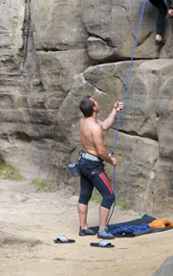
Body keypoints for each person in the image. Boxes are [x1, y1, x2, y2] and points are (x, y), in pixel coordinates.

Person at [76, 96, 123, 239]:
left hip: (82, 162)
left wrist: (114, 111)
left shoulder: (83, 121)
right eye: (95, 101)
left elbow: (105, 125)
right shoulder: (95, 128)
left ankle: (83, 227)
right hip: (93, 166)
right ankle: (102, 230)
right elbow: (101, 152)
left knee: (84, 195)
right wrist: (111, 161)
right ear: (94, 108)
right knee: (109, 196)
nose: (97, 102)